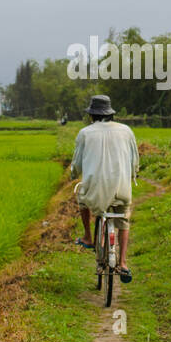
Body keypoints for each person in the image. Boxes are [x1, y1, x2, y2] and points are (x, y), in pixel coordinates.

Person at [70, 94, 140, 282]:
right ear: (110, 114)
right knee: (123, 219)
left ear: (91, 115)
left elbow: (77, 163)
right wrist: (134, 174)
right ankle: (123, 263)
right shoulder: (126, 131)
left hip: (94, 189)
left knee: (82, 199)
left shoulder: (85, 133)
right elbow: (134, 160)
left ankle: (88, 237)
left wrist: (73, 174)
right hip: (121, 188)